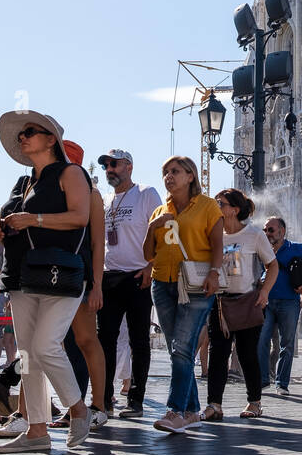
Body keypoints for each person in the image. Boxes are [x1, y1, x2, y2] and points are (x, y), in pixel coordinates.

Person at [0, 110, 93, 453]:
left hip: (60, 272)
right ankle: (37, 430)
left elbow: (81, 218)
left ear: (51, 139)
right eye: (21, 134)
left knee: (46, 346)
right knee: (28, 355)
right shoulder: (25, 182)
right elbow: (19, 224)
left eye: (30, 132)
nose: (23, 137)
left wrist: (32, 219)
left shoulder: (71, 172)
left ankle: (78, 408)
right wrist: (3, 229)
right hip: (21, 272)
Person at [144, 155, 223, 433]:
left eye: (175, 171)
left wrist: (214, 273)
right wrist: (154, 226)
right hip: (162, 283)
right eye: (165, 172)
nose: (169, 176)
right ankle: (191, 411)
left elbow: (217, 245)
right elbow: (148, 254)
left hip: (196, 285)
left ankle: (175, 411)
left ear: (190, 176)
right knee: (177, 348)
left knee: (181, 348)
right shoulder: (159, 210)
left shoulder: (207, 206)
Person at [200, 188, 278, 421]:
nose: (216, 206)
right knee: (218, 354)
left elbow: (273, 265)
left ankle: (254, 402)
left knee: (247, 355)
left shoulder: (254, 234)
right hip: (220, 303)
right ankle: (214, 404)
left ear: (234, 210)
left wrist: (264, 292)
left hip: (247, 302)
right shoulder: (214, 235)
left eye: (220, 203)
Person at [96, 148, 161, 419]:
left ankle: (136, 399)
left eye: (114, 164)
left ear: (129, 167)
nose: (109, 169)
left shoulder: (146, 193)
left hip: (138, 276)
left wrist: (151, 266)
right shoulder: (105, 200)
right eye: (106, 166)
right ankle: (104, 398)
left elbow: (162, 232)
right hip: (109, 276)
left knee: (139, 341)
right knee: (105, 340)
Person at [48, 140, 107, 429]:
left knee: (85, 340)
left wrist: (97, 285)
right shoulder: (44, 191)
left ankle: (98, 405)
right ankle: (73, 406)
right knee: (55, 345)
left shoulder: (91, 194)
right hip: (48, 276)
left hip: (79, 275)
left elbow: (98, 243)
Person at [257, 216, 302, 396]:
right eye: (265, 230)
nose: (267, 233)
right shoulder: (261, 249)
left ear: (282, 231)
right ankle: (263, 379)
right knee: (261, 341)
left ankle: (282, 383)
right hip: (266, 301)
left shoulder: (296, 248)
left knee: (287, 344)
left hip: (289, 302)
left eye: (271, 230)